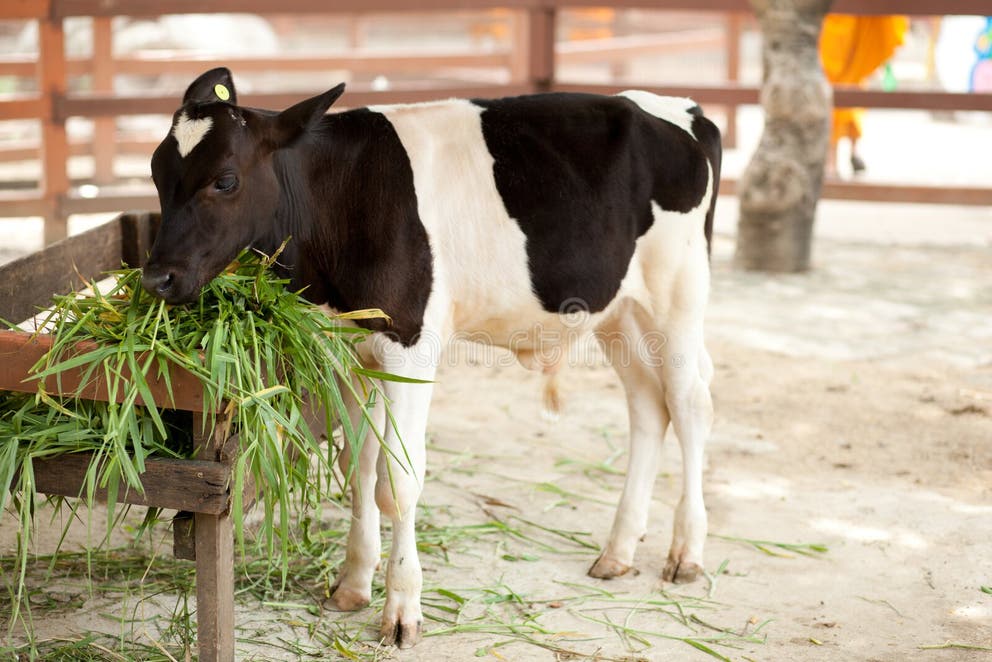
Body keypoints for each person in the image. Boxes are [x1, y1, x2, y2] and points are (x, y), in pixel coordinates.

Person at [820, 14, 909, 176]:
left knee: (848, 83)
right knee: (842, 84)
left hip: (850, 22)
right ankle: (836, 157)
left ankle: (846, 154)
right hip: (836, 24)